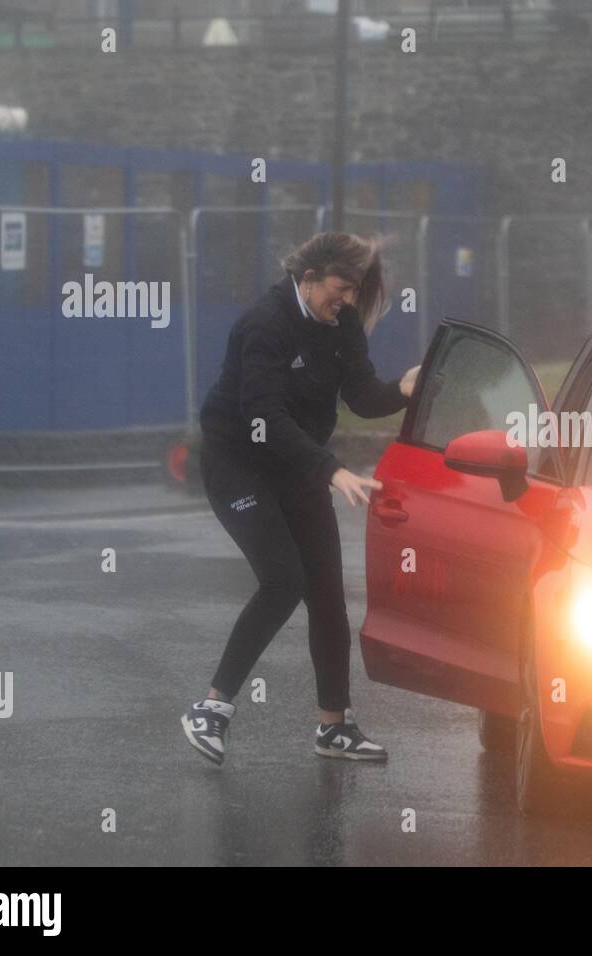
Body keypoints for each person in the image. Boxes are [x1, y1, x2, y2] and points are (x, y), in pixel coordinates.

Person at [181, 232, 419, 766]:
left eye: (355, 292)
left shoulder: (343, 323)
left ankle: (334, 727)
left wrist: (402, 390)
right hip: (240, 466)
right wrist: (331, 470)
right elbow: (265, 420)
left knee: (327, 593)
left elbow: (360, 394)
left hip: (297, 465)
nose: (347, 301)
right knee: (283, 578)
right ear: (308, 279)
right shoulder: (264, 325)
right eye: (339, 289)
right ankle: (211, 708)